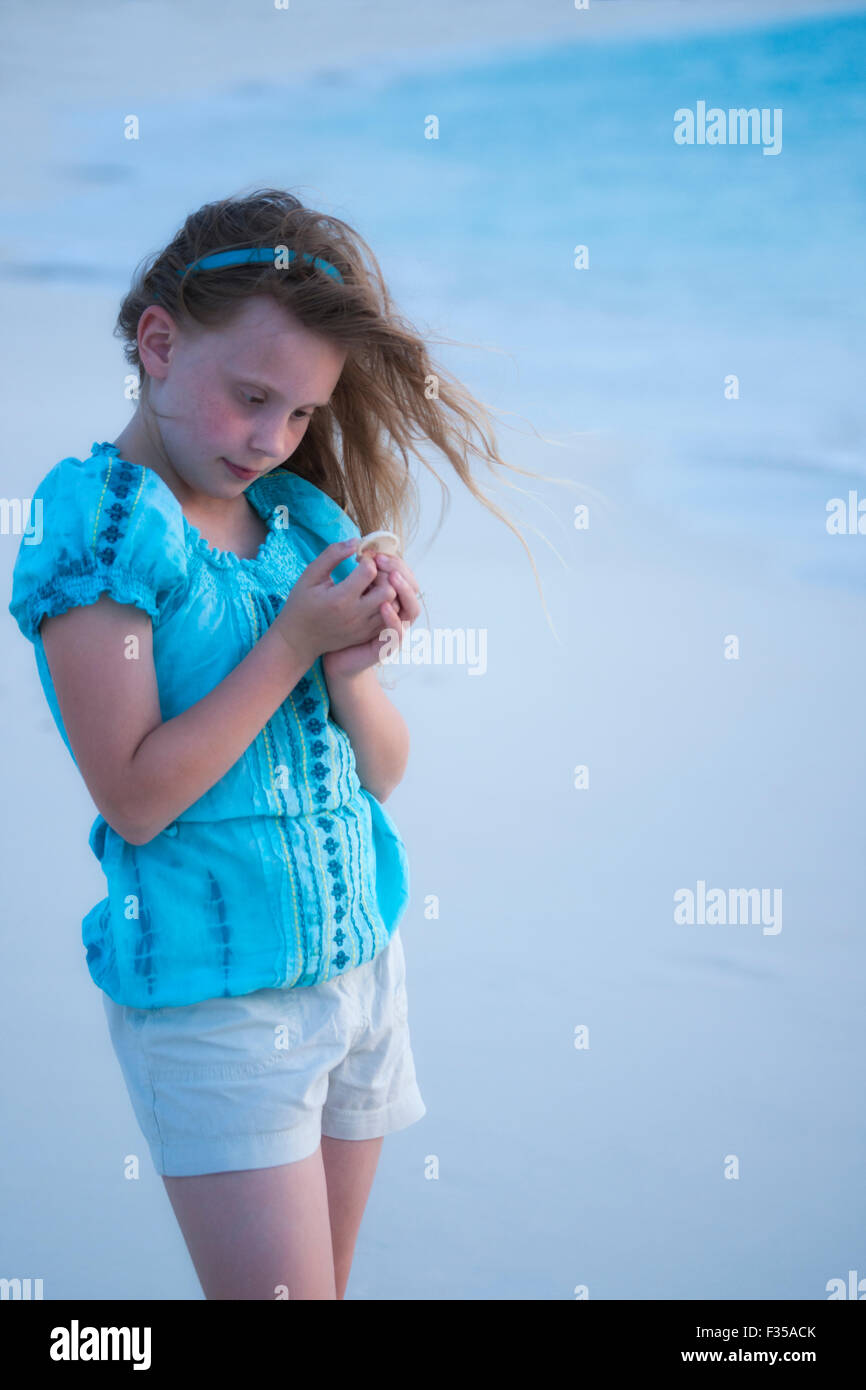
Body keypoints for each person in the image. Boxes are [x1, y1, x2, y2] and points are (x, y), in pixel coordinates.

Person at [8, 187, 570, 1300]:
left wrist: (350, 668)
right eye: (250, 397)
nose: (272, 439)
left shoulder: (303, 523)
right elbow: (132, 796)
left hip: (361, 967)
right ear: (159, 345)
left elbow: (384, 773)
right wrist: (290, 641)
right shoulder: (103, 525)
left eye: (302, 414)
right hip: (222, 1002)